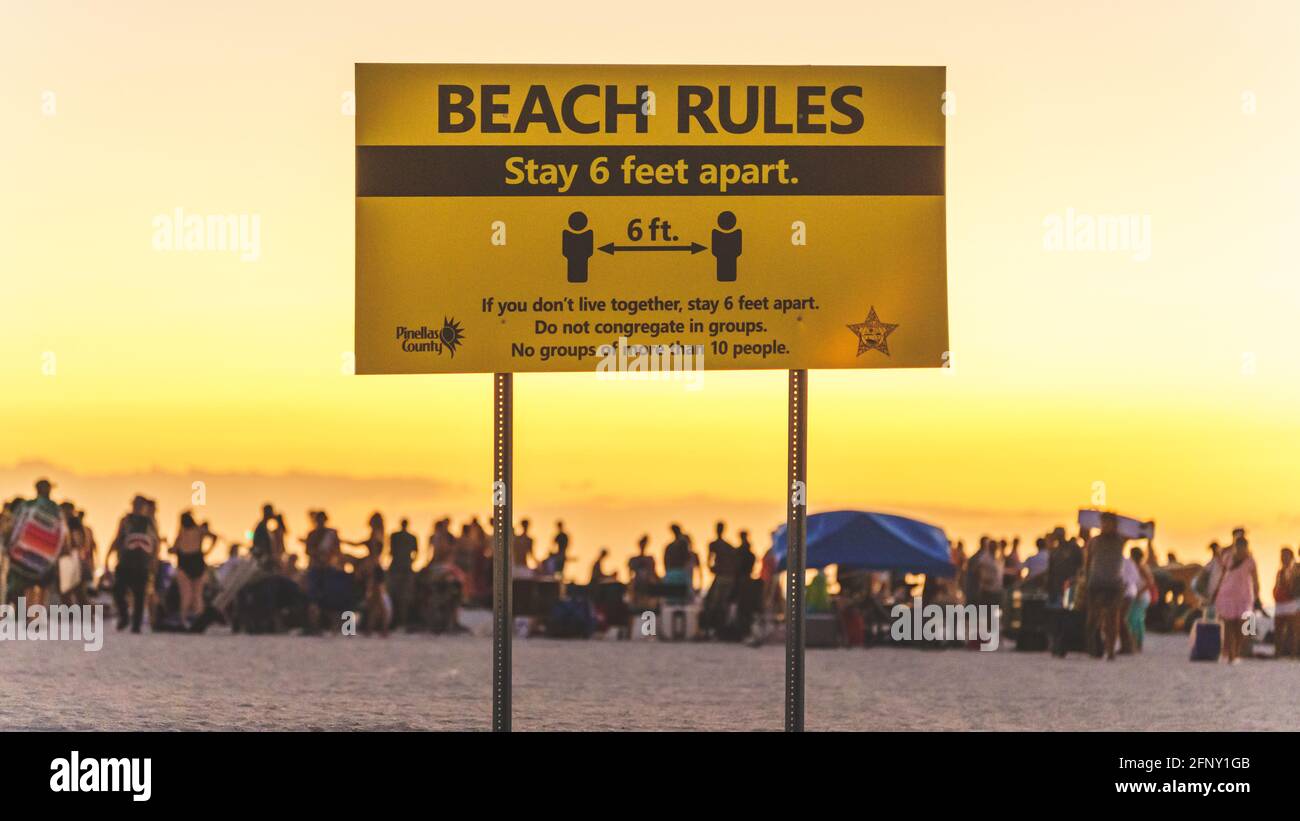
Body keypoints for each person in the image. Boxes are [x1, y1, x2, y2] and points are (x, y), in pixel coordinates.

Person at [108, 495, 159, 633]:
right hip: (125, 560)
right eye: (135, 504)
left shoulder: (150, 522)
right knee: (118, 591)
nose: (137, 507)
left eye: (140, 504)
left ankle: (136, 625)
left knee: (139, 595)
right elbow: (118, 537)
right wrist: (108, 557)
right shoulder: (125, 520)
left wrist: (154, 561)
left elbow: (156, 542)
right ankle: (124, 616)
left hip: (143, 563)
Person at [1084, 512, 1127, 660]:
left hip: (1114, 584)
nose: (1106, 526)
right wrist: (1086, 579)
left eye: (1109, 523)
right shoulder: (1094, 541)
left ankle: (1110, 651)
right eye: (1104, 523)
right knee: (1093, 618)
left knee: (1112, 618)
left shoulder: (1120, 540)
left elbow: (1140, 535)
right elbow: (1088, 562)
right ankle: (1092, 647)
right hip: (1095, 583)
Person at [1214, 536, 1261, 663]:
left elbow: (1255, 580)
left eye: (1242, 547)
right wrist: (1216, 592)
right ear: (1235, 546)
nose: (1240, 549)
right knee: (1228, 625)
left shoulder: (1250, 560)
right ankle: (1230, 653)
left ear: (1246, 547)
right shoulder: (1228, 557)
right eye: (1238, 546)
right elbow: (1222, 575)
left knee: (1245, 626)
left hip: (1244, 596)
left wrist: (1257, 596)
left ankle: (1236, 650)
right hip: (1227, 594)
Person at [172, 511, 216, 624]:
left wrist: (208, 551)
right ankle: (192, 618)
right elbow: (214, 537)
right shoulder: (194, 531)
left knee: (190, 595)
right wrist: (207, 551)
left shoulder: (192, 531)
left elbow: (174, 548)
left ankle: (187, 619)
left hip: (190, 562)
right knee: (194, 595)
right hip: (194, 562)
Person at [388, 519, 418, 629]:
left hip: (399, 567)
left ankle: (399, 620)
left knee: (398, 595)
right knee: (403, 596)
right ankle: (400, 620)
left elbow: (390, 551)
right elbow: (416, 553)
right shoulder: (410, 537)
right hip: (403, 567)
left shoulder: (395, 536)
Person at [1273, 548, 1298, 658]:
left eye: (1285, 556)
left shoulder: (1296, 569)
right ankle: (1278, 652)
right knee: (1278, 628)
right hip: (1280, 603)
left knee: (1293, 630)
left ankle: (1293, 654)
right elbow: (1277, 585)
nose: (1283, 558)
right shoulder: (1280, 571)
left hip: (1292, 603)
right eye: (1282, 556)